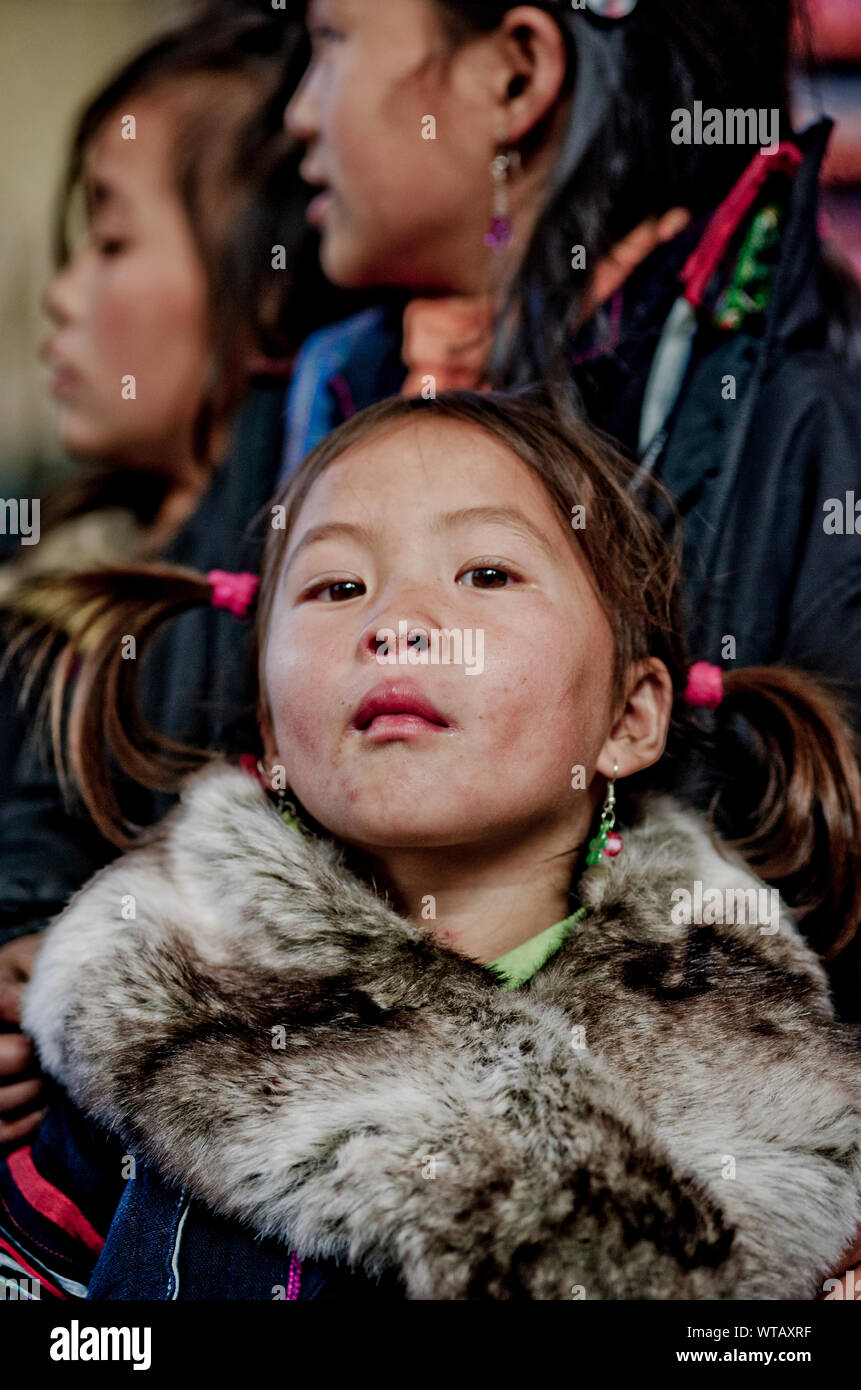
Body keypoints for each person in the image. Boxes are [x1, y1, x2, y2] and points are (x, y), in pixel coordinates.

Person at [0, 390, 859, 1300]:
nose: (396, 623)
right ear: (271, 723)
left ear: (630, 714)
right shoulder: (138, 1029)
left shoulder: (768, 1102)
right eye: (337, 587)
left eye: (486, 574)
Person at [0, 5, 314, 1148]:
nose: (61, 294)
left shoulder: (261, 600)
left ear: (267, 288)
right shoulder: (61, 560)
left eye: (113, 241)